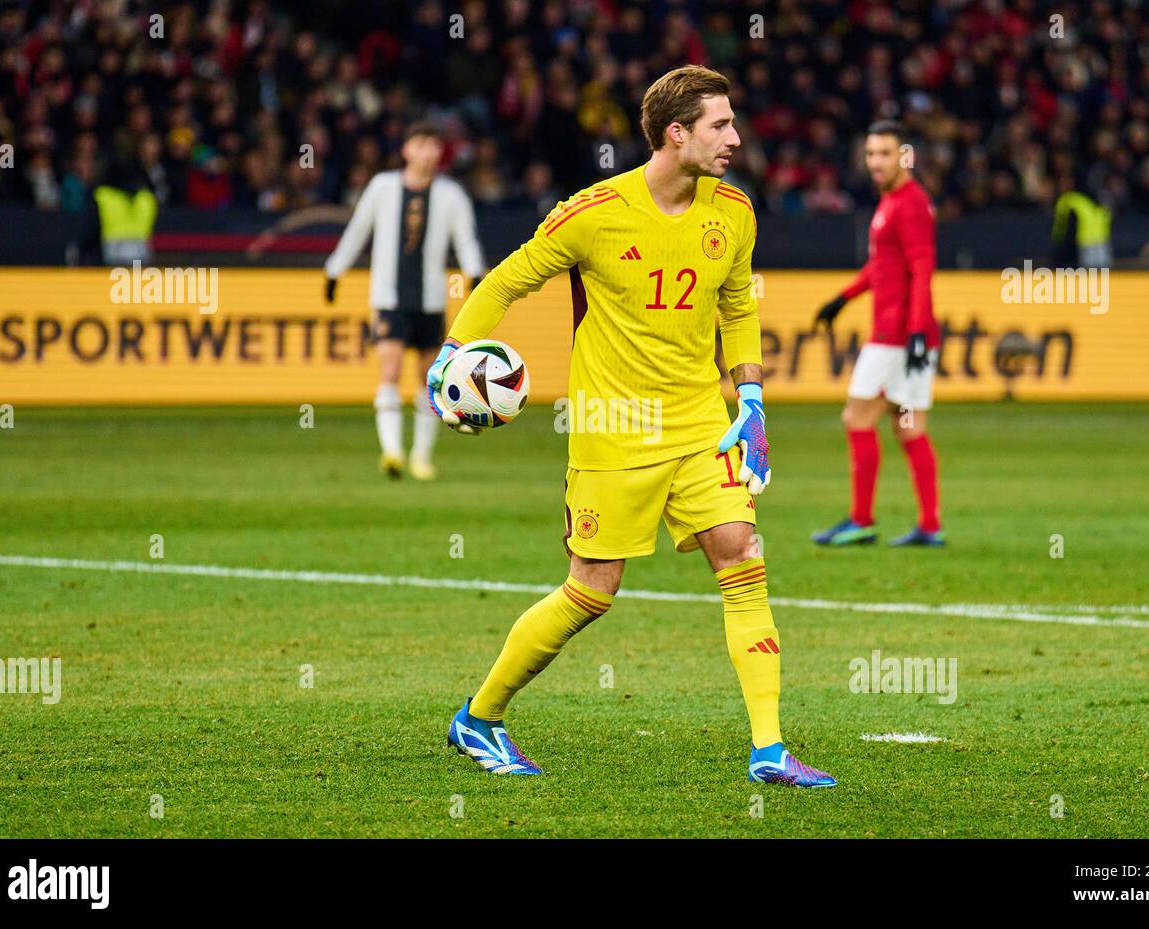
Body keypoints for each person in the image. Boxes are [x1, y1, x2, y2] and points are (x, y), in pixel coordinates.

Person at [428, 66, 836, 787]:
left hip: (700, 421)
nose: (736, 138)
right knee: (592, 588)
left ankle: (769, 748)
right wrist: (453, 353)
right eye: (720, 125)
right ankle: (480, 716)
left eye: (734, 123)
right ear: (675, 133)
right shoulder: (592, 213)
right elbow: (505, 281)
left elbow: (737, 309)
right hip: (611, 425)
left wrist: (751, 401)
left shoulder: (734, 212)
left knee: (741, 556)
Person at [324, 122, 485, 480]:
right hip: (388, 298)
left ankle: (421, 456)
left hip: (429, 299)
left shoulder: (450, 194)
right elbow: (358, 230)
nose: (428, 153)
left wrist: (475, 273)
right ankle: (392, 452)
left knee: (430, 379)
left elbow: (465, 237)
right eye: (422, 144)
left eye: (434, 146)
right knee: (390, 370)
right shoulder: (382, 187)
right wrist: (335, 270)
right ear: (407, 149)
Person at [812, 120, 945, 548]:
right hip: (904, 333)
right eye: (871, 154)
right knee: (909, 427)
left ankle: (861, 520)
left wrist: (917, 331)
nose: (876, 163)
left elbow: (922, 269)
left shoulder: (909, 204)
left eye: (885, 153)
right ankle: (929, 526)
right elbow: (884, 267)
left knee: (856, 418)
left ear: (905, 157)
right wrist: (843, 297)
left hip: (896, 336)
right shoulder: (894, 202)